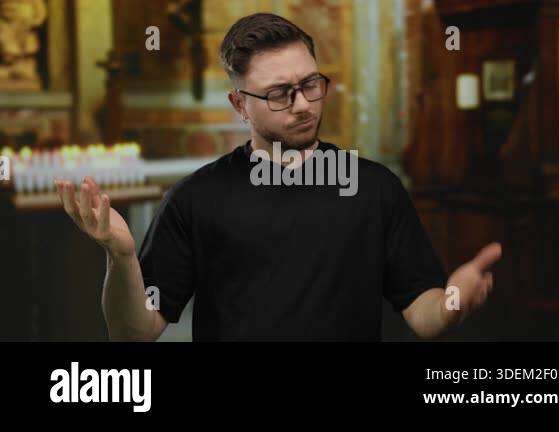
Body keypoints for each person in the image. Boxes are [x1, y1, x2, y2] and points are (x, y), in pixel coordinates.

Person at [54, 13, 501, 341]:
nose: (303, 104)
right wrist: (121, 257)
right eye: (279, 94)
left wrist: (450, 305)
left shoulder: (375, 188)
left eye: (310, 84)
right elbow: (134, 333)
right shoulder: (196, 199)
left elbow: (423, 315)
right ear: (239, 104)